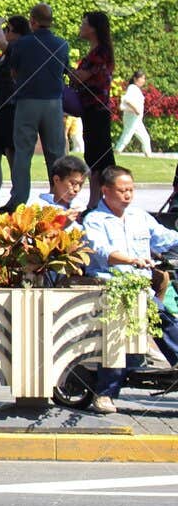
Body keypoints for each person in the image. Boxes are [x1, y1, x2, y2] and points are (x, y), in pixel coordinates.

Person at [80, 166, 178, 413]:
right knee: (117, 338)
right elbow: (102, 251)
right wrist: (131, 260)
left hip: (140, 289)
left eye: (131, 190)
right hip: (110, 289)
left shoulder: (139, 217)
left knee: (165, 320)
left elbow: (165, 238)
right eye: (122, 190)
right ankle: (104, 394)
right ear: (105, 190)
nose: (128, 195)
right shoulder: (94, 220)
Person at [3, 2, 70, 209]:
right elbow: (64, 70)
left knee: (23, 152)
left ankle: (19, 200)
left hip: (26, 101)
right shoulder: (62, 44)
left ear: (32, 21)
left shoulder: (21, 44)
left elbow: (13, 72)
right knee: (56, 153)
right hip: (53, 103)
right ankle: (59, 199)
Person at [72, 10, 116, 210]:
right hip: (93, 109)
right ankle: (96, 201)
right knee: (94, 155)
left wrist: (66, 69)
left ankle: (98, 202)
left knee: (98, 156)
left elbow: (81, 77)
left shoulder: (100, 53)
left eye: (84, 23)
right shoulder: (98, 51)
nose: (81, 27)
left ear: (93, 28)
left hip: (97, 109)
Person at [0, 15, 27, 210]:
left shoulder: (17, 50)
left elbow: (1, 42)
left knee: (11, 154)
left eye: (8, 30)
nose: (4, 33)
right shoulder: (3, 56)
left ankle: (15, 200)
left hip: (10, 107)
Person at [33, 154, 89, 222]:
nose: (77, 189)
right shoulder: (39, 206)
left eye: (81, 184)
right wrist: (62, 224)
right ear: (56, 180)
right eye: (73, 183)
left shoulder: (80, 207)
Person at [116, 70, 153, 157]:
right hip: (131, 117)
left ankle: (149, 156)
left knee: (145, 138)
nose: (143, 80)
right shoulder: (132, 87)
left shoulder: (135, 89)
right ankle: (117, 151)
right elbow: (127, 100)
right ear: (135, 79)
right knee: (127, 135)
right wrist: (135, 109)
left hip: (136, 119)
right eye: (141, 78)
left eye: (144, 78)